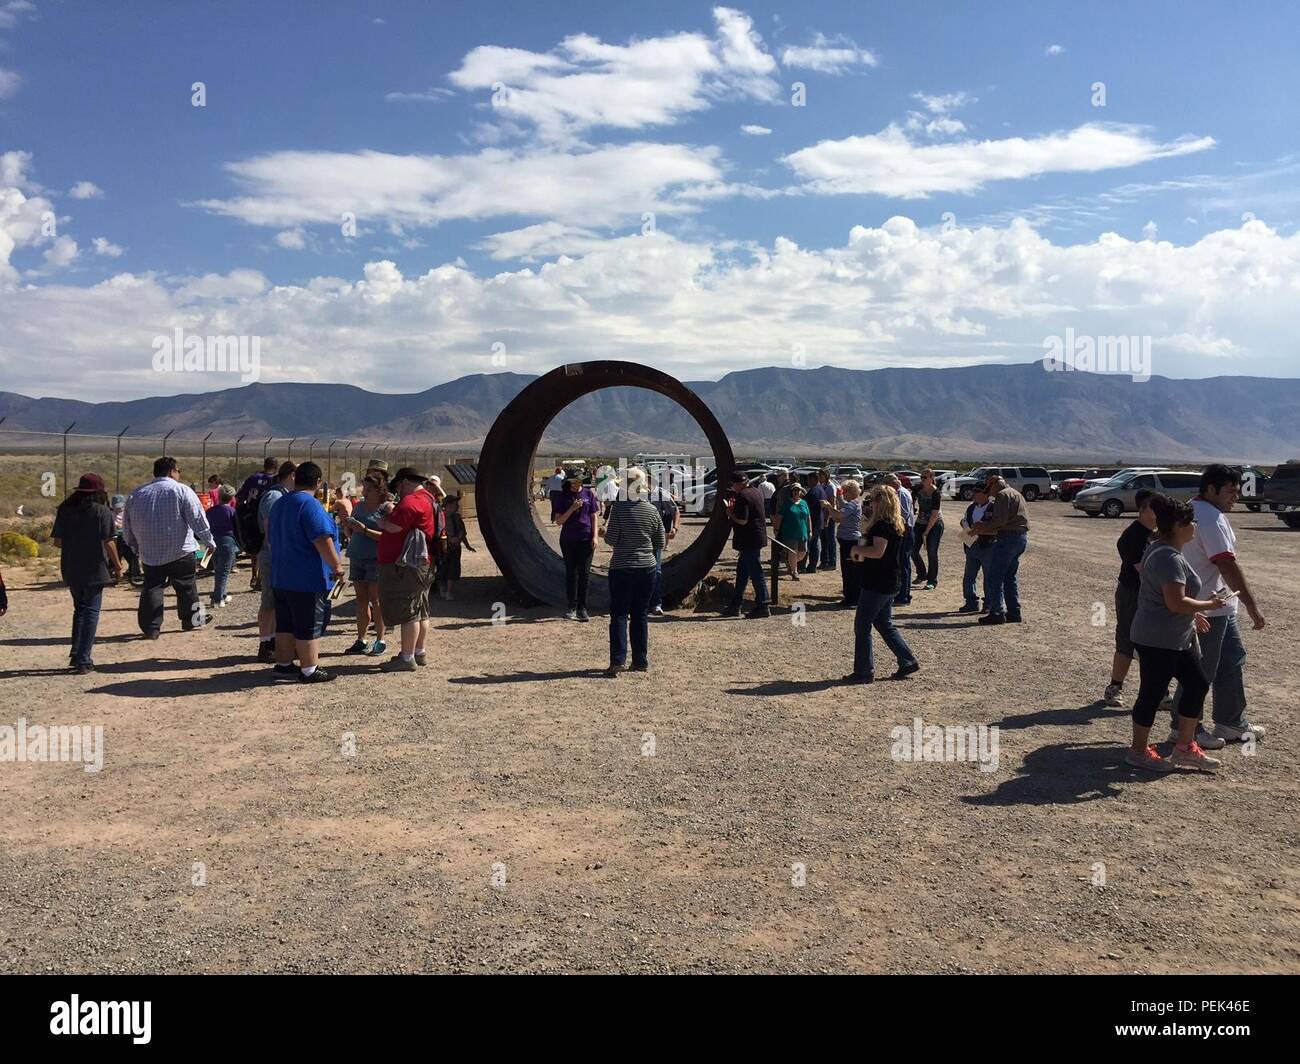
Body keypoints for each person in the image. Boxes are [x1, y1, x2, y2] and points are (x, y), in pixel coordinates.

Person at [1169, 464, 1267, 743]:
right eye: (1230, 491)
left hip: (1220, 605)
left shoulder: (1201, 511)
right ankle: (1185, 728)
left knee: (1231, 662)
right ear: (1210, 489)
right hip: (1206, 607)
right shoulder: (1208, 518)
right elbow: (1226, 564)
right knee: (1200, 670)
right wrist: (1252, 605)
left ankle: (1232, 722)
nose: (1235, 497)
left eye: (1237, 491)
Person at [1125, 495, 1223, 772]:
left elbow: (1169, 599)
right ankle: (1138, 751)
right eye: (1191, 522)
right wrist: (1210, 605)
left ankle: (1184, 748)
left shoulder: (1163, 548)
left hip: (1174, 637)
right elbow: (1175, 602)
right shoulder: (1168, 557)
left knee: (1197, 683)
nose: (1195, 526)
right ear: (1179, 525)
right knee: (1152, 694)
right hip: (1158, 639)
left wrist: (1194, 613)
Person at [266, 462, 344, 684]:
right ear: (318, 482)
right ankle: (309, 669)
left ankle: (283, 664)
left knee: (286, 623)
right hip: (307, 577)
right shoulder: (310, 505)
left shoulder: (280, 504)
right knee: (309, 622)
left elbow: (270, 539)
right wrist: (337, 566)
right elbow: (321, 538)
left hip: (282, 575)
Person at [123, 456, 214, 638]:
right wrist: (209, 541)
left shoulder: (137, 494)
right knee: (187, 585)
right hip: (180, 550)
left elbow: (127, 524)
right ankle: (191, 620)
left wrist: (134, 546)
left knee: (152, 587)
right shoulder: (182, 490)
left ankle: (151, 627)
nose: (179, 474)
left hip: (149, 552)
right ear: (172, 471)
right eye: (178, 471)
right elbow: (197, 519)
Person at [845, 485, 920, 683]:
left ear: (882, 502)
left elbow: (878, 552)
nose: (871, 504)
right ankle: (908, 660)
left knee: (862, 626)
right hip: (890, 581)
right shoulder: (896, 523)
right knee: (884, 623)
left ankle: (863, 671)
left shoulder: (882, 526)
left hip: (877, 582)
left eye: (874, 500)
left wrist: (857, 548)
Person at [52, 473, 122, 674]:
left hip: (71, 566)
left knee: (79, 609)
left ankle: (76, 652)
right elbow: (109, 542)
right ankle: (83, 659)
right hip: (95, 568)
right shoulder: (102, 512)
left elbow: (58, 542)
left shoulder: (65, 510)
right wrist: (117, 566)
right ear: (99, 492)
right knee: (91, 611)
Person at [599, 467, 665, 676]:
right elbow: (660, 541)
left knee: (619, 614)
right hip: (647, 568)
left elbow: (611, 539)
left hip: (622, 567)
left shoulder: (619, 509)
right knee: (640, 615)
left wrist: (603, 533)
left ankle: (618, 661)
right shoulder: (652, 510)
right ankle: (640, 661)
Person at [374, 467, 437, 672]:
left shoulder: (411, 502)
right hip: (421, 563)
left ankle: (407, 657)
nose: (398, 490)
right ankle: (418, 652)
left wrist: (382, 520)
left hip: (407, 566)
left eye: (399, 485)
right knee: (420, 610)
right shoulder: (428, 498)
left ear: (405, 482)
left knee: (409, 612)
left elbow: (394, 527)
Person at [254, 462, 297, 662]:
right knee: (269, 601)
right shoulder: (274, 497)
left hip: (280, 555)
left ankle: (277, 643)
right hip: (272, 556)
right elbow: (271, 527)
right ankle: (266, 644)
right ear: (292, 475)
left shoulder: (282, 496)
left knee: (279, 602)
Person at [342, 476, 389, 656]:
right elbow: (351, 531)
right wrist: (348, 526)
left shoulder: (385, 509)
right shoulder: (359, 507)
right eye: (364, 488)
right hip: (357, 556)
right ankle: (361, 639)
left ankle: (380, 640)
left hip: (375, 558)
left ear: (379, 491)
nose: (365, 492)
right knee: (361, 600)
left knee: (376, 600)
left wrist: (365, 529)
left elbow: (387, 537)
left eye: (369, 489)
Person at [973, 474, 1029, 625]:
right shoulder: (1016, 493)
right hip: (1020, 538)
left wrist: (981, 527)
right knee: (1010, 576)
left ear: (994, 485)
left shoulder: (1003, 495)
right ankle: (1014, 612)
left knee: (994, 576)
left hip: (1008, 538)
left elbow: (1000, 521)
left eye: (989, 489)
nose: (988, 493)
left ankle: (997, 612)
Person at [552, 469, 600, 621]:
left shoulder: (588, 494)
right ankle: (571, 607)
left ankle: (582, 608)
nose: (577, 483)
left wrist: (595, 536)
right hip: (568, 539)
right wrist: (572, 509)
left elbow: (594, 517)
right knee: (571, 573)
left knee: (584, 573)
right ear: (569, 482)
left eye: (579, 481)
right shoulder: (562, 497)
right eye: (574, 481)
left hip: (586, 538)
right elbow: (559, 521)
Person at [721, 471, 769, 618]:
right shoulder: (756, 491)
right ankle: (736, 604)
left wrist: (730, 513)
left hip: (749, 540)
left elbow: (742, 520)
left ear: (737, 484)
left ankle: (763, 604)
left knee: (756, 573)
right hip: (755, 538)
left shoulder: (743, 496)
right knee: (742, 573)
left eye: (733, 485)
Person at [236, 457, 279, 590]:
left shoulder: (253, 478)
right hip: (266, 513)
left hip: (251, 514)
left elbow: (240, 497)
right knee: (266, 543)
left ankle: (255, 575)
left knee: (255, 547)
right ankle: (262, 576)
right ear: (276, 467)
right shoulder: (274, 480)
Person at [825, 479, 865, 608]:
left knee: (851, 571)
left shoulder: (853, 504)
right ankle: (849, 597)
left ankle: (853, 599)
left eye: (844, 491)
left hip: (851, 541)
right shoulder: (851, 504)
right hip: (847, 540)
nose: (843, 494)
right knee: (847, 570)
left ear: (849, 492)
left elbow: (839, 515)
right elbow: (837, 517)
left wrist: (828, 506)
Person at [957, 483, 994, 614]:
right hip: (972, 545)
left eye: (977, 492)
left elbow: (996, 526)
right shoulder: (971, 507)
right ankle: (971, 602)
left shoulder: (993, 507)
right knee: (969, 576)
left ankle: (989, 603)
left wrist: (979, 530)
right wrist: (966, 527)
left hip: (988, 546)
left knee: (989, 576)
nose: (974, 494)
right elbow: (964, 521)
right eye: (974, 491)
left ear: (985, 493)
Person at [647, 476, 680, 616]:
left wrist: (675, 528)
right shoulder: (630, 494)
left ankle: (655, 603)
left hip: (655, 537)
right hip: (637, 537)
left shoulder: (660, 493)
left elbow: (675, 510)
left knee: (656, 570)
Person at [911, 469, 944, 591]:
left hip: (934, 524)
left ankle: (932, 580)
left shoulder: (936, 493)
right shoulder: (918, 489)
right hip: (920, 522)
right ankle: (921, 574)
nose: (923, 479)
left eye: (925, 477)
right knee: (913, 550)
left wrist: (927, 531)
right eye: (921, 477)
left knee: (932, 552)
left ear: (931, 478)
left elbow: (935, 514)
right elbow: (911, 502)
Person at [207, 484, 239, 608]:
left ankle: (222, 594)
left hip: (213, 541)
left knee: (218, 569)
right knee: (224, 571)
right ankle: (218, 598)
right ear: (231, 498)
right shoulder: (232, 511)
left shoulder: (210, 511)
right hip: (227, 541)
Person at [438, 495, 473, 600]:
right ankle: (442, 588)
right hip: (443, 548)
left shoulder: (457, 518)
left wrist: (467, 545)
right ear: (448, 505)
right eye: (455, 504)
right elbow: (438, 532)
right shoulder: (440, 518)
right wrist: (449, 540)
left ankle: (449, 592)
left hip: (455, 548)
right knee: (443, 569)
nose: (457, 506)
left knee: (453, 569)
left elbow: (462, 532)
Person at [888, 474, 915, 606]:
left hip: (905, 530)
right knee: (901, 563)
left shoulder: (901, 494)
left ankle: (903, 595)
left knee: (903, 563)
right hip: (903, 530)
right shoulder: (900, 492)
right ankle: (901, 593)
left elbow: (903, 515)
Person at [777, 482, 811, 579]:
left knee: (803, 553)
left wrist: (810, 530)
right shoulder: (787, 503)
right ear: (792, 492)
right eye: (795, 490)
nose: (796, 492)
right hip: (790, 532)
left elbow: (808, 518)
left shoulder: (804, 503)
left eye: (798, 490)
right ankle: (794, 572)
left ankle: (790, 562)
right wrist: (777, 529)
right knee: (793, 552)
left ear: (801, 492)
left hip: (802, 532)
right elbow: (779, 517)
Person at [807, 469, 838, 571]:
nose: (820, 477)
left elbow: (831, 503)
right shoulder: (822, 488)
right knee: (823, 541)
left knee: (829, 540)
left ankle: (830, 562)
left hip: (827, 517)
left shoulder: (829, 487)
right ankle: (824, 561)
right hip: (822, 517)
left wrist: (827, 519)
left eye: (821, 475)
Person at [110, 493, 142, 585]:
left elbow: (131, 525)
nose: (118, 509)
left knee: (131, 554)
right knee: (115, 551)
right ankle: (113, 571)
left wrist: (121, 526)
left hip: (126, 536)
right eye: (116, 507)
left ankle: (134, 573)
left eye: (120, 507)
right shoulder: (110, 513)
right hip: (114, 536)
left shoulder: (127, 512)